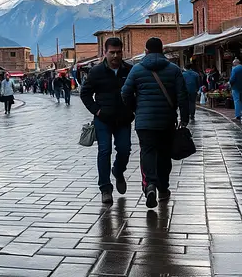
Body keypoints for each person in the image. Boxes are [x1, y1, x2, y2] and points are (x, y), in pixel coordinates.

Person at [122, 37, 190, 208]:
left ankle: (150, 184)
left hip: (144, 123)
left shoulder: (137, 70)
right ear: (163, 51)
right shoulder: (174, 70)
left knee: (148, 152)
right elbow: (183, 95)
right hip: (166, 121)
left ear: (146, 51)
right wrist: (184, 117)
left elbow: (125, 92)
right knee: (165, 155)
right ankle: (164, 189)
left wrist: (135, 109)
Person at [81, 37, 133, 205]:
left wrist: (132, 109)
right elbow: (85, 93)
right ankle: (105, 188)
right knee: (104, 151)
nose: (115, 56)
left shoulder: (129, 71)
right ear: (105, 53)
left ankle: (118, 171)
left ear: (122, 52)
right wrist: (96, 110)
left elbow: (137, 92)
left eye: (118, 52)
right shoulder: (96, 72)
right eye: (112, 53)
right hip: (103, 119)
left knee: (124, 150)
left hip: (123, 119)